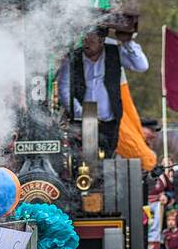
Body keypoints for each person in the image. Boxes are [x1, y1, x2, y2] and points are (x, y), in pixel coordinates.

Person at [56, 23, 149, 157]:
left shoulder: (115, 53)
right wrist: (81, 112)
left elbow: (142, 66)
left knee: (106, 158)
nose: (86, 44)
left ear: (101, 41)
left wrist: (128, 42)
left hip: (108, 122)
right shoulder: (73, 58)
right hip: (81, 121)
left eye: (91, 40)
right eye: (85, 40)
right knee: (83, 159)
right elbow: (64, 88)